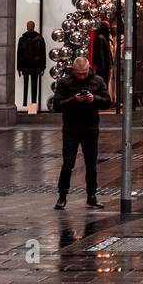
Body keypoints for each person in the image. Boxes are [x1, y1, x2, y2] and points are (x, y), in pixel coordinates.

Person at [53, 56, 111, 210]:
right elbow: (57, 105)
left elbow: (108, 102)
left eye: (84, 73)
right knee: (68, 163)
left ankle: (92, 196)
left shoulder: (97, 80)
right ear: (73, 70)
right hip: (71, 129)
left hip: (90, 128)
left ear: (89, 69)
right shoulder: (64, 82)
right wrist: (73, 100)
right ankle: (62, 196)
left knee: (91, 164)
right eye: (79, 74)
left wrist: (95, 98)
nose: (82, 76)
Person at [16, 20, 46, 108]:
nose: (29, 27)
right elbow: (19, 53)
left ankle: (32, 107)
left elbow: (43, 53)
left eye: (31, 26)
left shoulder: (39, 39)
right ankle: (24, 106)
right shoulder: (22, 39)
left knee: (34, 86)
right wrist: (18, 67)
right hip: (25, 65)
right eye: (28, 26)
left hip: (35, 66)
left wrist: (43, 67)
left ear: (33, 27)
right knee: (25, 85)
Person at [91, 18, 113, 86]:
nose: (109, 30)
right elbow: (101, 56)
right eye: (107, 27)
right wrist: (102, 70)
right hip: (103, 68)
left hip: (104, 67)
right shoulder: (100, 38)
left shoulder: (103, 38)